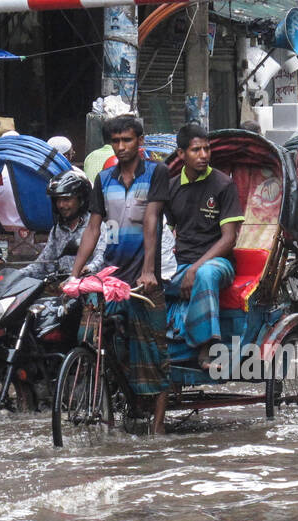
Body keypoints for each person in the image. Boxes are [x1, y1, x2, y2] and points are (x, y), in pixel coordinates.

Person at [71, 114, 171, 432]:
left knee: (152, 351)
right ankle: (106, 401)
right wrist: (74, 276)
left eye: (127, 140)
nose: (121, 146)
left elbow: (151, 221)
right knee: (90, 337)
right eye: (116, 141)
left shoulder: (157, 172)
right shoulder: (104, 180)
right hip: (112, 274)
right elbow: (93, 227)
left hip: (145, 277)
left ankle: (157, 426)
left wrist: (148, 271)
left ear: (140, 141)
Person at [163, 123, 244, 370]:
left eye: (206, 149)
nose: (204, 155)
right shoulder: (172, 186)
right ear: (181, 154)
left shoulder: (222, 185)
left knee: (205, 274)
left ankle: (207, 349)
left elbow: (229, 238)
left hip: (218, 263)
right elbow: (167, 232)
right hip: (181, 262)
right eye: (196, 150)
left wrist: (194, 269)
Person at [19, 169, 105, 279]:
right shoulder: (57, 230)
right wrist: (17, 275)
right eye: (57, 200)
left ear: (81, 200)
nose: (61, 205)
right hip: (62, 288)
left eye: (66, 199)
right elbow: (43, 263)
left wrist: (89, 268)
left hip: (87, 288)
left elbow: (101, 257)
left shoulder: (94, 226)